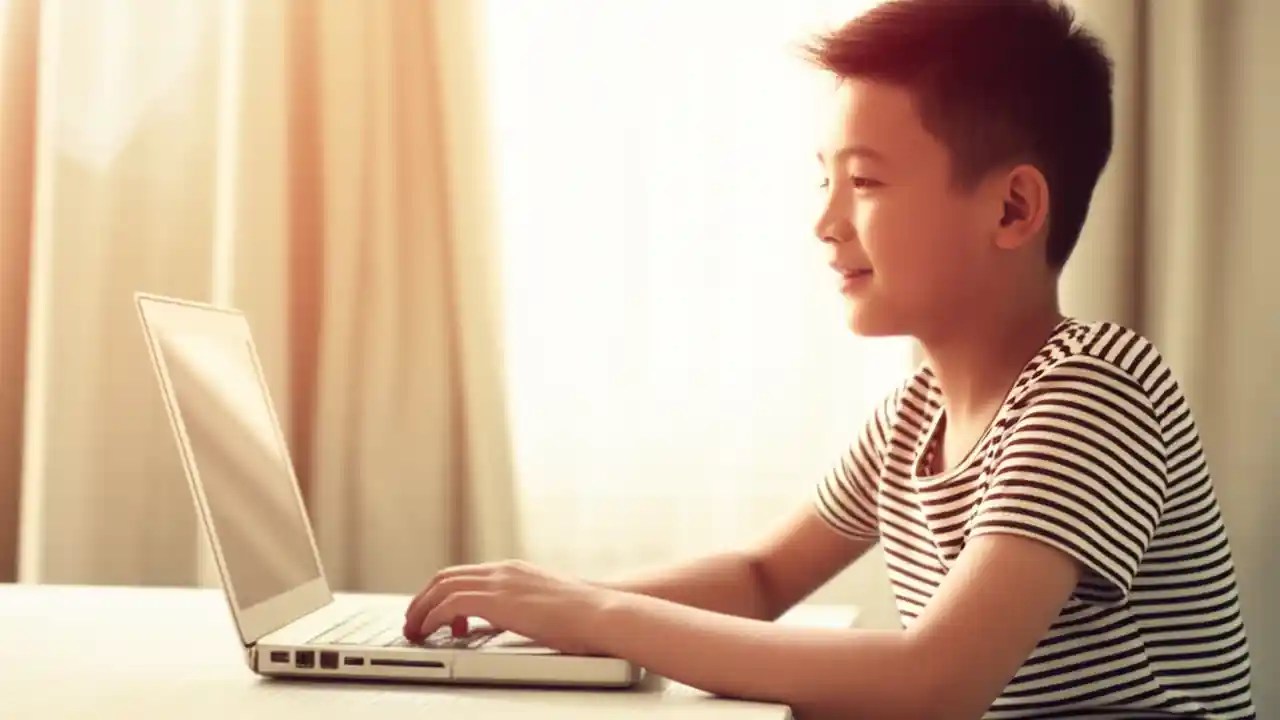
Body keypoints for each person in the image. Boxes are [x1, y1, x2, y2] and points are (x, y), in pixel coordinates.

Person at [403, 1, 1256, 717]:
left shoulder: (1096, 386)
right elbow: (761, 574)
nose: (826, 222)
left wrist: (598, 615)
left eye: (868, 182)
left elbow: (938, 682)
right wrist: (545, 616)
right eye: (826, 180)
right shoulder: (915, 415)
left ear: (1013, 207)